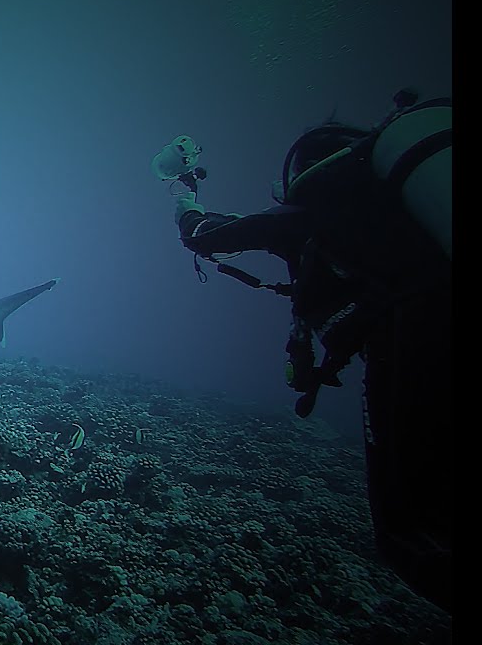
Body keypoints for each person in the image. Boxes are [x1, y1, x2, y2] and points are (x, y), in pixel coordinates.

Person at [159, 89, 453, 614]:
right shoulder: (403, 214)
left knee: (406, 534)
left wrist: (188, 212)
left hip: (409, 344)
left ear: (306, 174)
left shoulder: (324, 204)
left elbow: (209, 237)